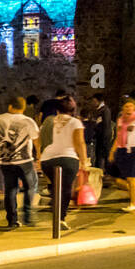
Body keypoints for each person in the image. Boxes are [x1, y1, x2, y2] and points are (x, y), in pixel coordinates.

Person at [0, 97, 40, 229]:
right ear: (23, 108)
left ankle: (12, 220)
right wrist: (39, 157)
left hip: (5, 161)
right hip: (25, 161)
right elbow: (36, 141)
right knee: (30, 187)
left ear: (10, 106)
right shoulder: (29, 121)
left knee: (10, 190)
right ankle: (28, 216)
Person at [39, 96, 87, 230]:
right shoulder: (75, 122)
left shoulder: (49, 121)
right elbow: (79, 142)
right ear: (73, 109)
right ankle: (60, 218)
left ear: (57, 109)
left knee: (55, 187)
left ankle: (55, 213)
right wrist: (83, 161)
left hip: (47, 158)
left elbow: (41, 138)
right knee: (65, 189)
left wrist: (39, 156)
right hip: (68, 157)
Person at [109, 99, 135, 212]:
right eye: (126, 106)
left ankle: (134, 203)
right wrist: (112, 151)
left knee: (131, 177)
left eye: (131, 106)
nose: (128, 108)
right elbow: (118, 136)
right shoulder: (121, 120)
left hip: (134, 149)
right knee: (117, 178)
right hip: (122, 149)